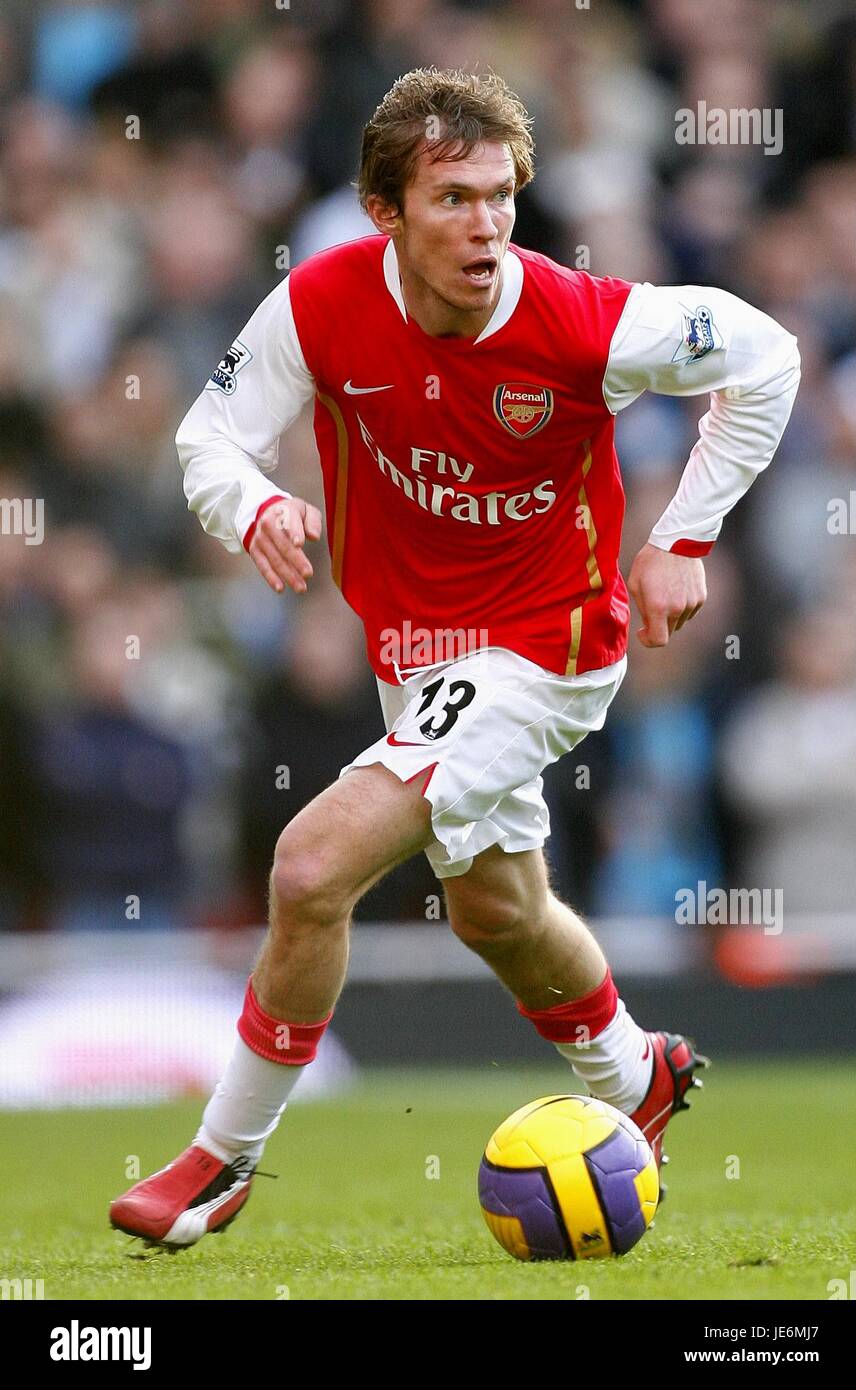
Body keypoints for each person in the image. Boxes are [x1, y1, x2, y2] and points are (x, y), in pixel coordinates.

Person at [110, 68, 799, 1248]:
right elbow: (209, 434)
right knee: (494, 909)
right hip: (412, 656)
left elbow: (767, 355)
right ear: (387, 212)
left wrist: (681, 535)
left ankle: (219, 1159)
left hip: (548, 644)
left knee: (309, 866)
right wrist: (256, 509)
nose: (484, 226)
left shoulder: (584, 319)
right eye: (452, 200)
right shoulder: (321, 303)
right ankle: (635, 1072)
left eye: (498, 197)